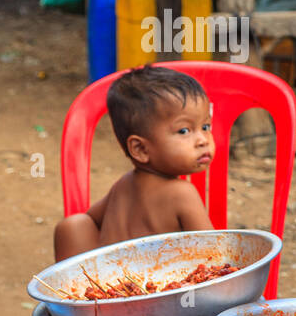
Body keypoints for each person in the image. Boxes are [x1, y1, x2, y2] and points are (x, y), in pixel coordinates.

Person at [54, 65, 216, 261]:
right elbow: (212, 258)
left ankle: (68, 290)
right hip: (160, 290)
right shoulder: (182, 193)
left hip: (108, 287)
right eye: (184, 131)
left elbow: (89, 220)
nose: (203, 140)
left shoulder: (123, 185)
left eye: (206, 126)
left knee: (75, 224)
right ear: (140, 149)